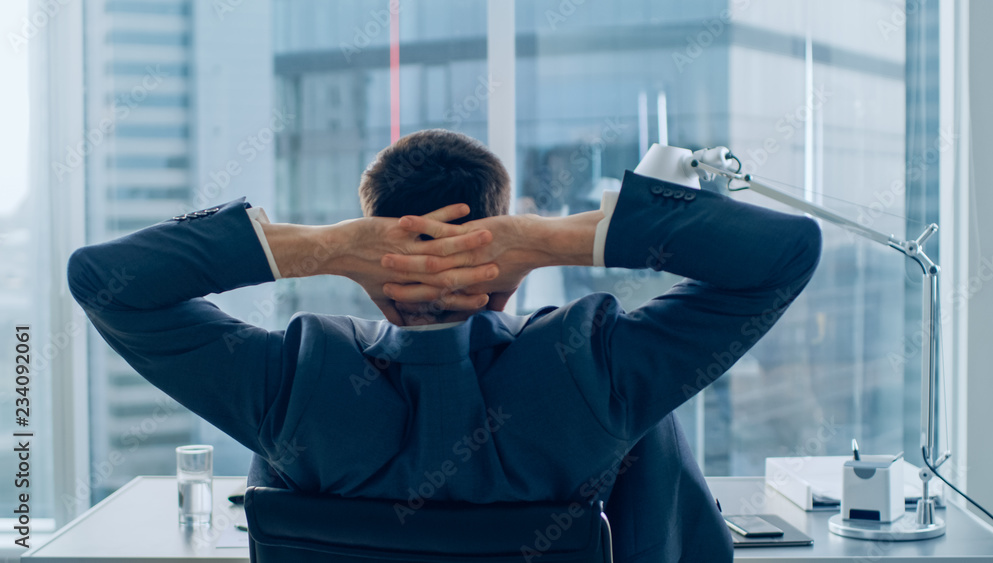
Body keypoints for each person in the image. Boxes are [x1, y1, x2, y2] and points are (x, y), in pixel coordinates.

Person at [68, 129, 821, 562]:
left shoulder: (296, 383)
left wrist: (326, 247)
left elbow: (105, 277)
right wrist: (549, 236)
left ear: (375, 269)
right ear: (503, 261)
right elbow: (783, 255)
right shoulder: (590, 367)